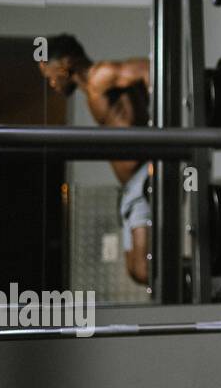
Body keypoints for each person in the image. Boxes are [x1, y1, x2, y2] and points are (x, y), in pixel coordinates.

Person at [38, 34, 152, 287]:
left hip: (146, 175)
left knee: (145, 269)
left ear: (66, 63)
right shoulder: (91, 91)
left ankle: (216, 283)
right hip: (130, 186)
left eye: (50, 74)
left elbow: (149, 70)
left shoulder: (101, 75)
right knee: (135, 271)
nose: (52, 83)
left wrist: (163, 140)